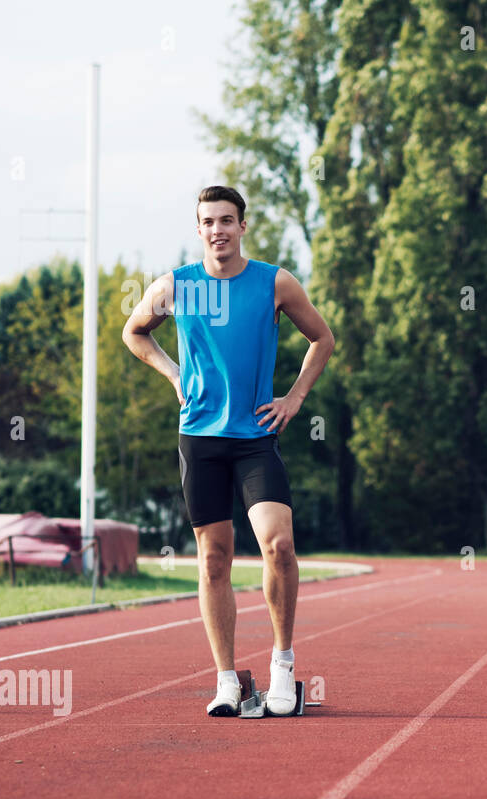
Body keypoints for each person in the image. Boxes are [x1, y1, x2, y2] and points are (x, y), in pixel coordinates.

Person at [122, 186, 335, 716]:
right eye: (208, 222)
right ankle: (226, 680)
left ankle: (282, 664)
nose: (218, 229)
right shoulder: (177, 286)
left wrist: (294, 397)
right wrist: (173, 374)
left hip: (256, 439)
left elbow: (323, 339)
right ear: (198, 230)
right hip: (200, 439)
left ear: (243, 226)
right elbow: (134, 332)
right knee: (214, 559)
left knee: (278, 545)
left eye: (227, 220)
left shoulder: (274, 282)